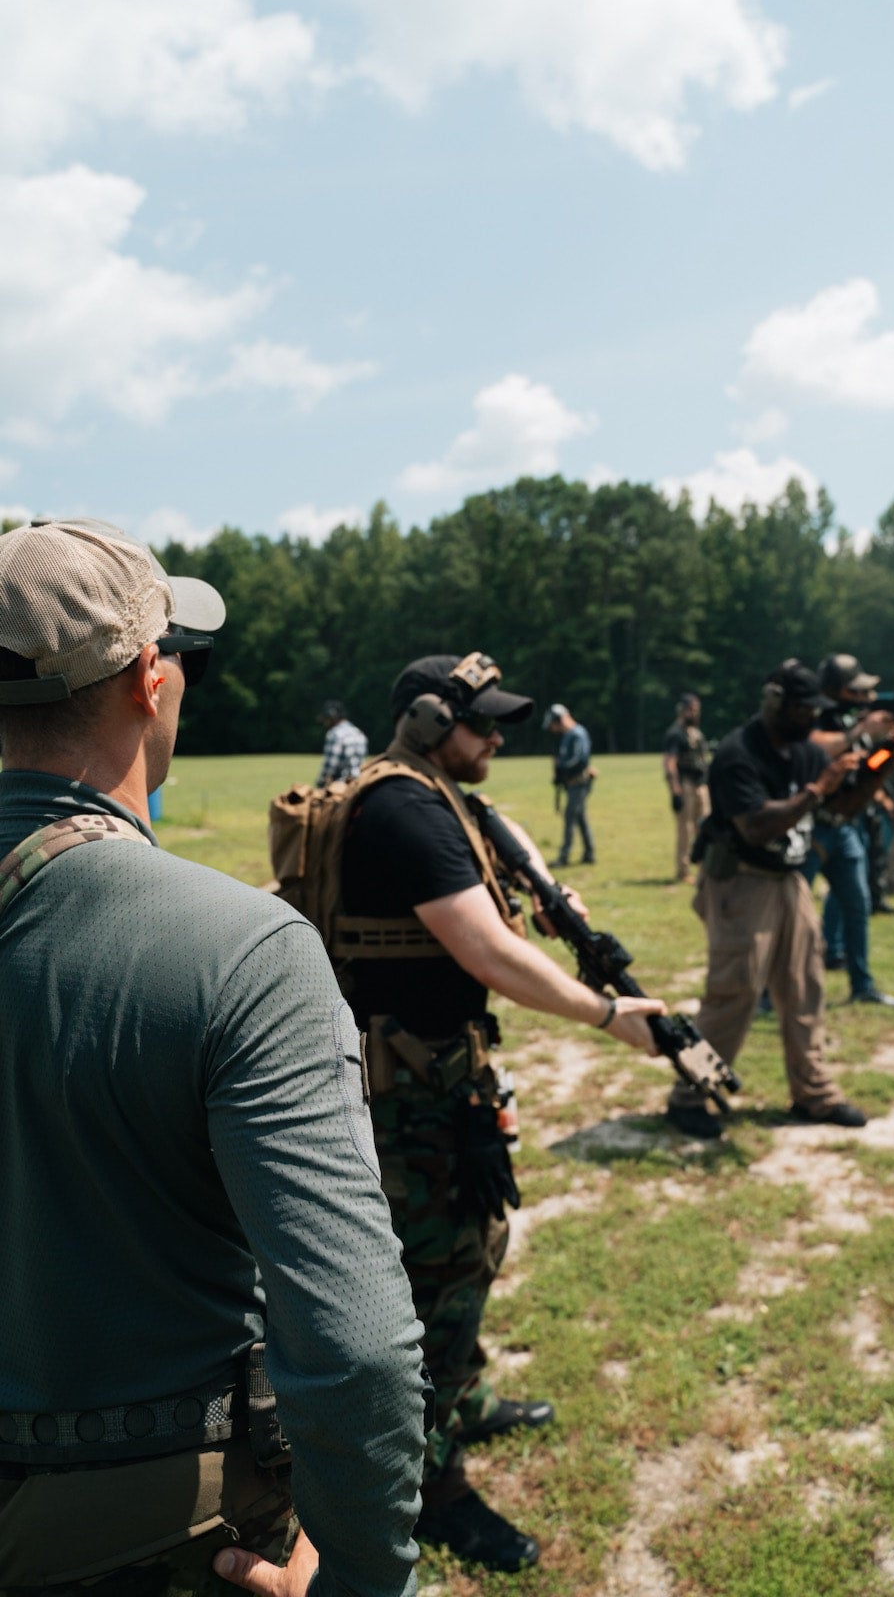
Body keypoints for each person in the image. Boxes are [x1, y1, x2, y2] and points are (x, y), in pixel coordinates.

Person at [0, 519, 425, 1597]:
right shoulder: (242, 948)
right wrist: (365, 1582)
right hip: (152, 1534)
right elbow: (358, 1346)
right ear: (150, 677)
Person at [339, 654, 664, 1572]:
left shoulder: (438, 798)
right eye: (483, 723)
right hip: (412, 1097)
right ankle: (433, 1490)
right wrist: (604, 1015)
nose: (499, 738)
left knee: (469, 1250)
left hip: (439, 1080)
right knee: (434, 1279)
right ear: (434, 720)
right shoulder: (405, 808)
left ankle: (461, 1404)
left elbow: (503, 905)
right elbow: (485, 951)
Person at [668, 660, 869, 1138]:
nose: (813, 720)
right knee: (730, 993)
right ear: (776, 703)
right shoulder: (739, 753)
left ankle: (812, 1093)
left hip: (789, 881)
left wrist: (880, 765)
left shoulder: (804, 751)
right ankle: (688, 1093)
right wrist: (819, 789)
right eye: (804, 709)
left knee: (806, 987)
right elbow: (757, 826)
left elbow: (839, 807)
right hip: (740, 881)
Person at [804, 654, 894, 1008]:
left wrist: (892, 746)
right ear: (837, 690)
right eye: (855, 691)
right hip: (811, 828)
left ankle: (862, 984)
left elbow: (868, 767)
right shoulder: (814, 720)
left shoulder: (851, 723)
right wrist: (860, 732)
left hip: (844, 828)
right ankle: (771, 993)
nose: (864, 698)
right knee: (792, 913)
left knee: (857, 906)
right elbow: (815, 746)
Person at [662, 692, 711, 882]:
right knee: (685, 829)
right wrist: (675, 790)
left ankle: (705, 868)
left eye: (697, 710)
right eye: (691, 709)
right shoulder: (675, 734)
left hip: (701, 785)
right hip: (686, 785)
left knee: (704, 827)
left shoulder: (697, 733)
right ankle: (683, 871)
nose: (695, 713)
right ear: (682, 711)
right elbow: (669, 763)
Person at [543, 702, 595, 866]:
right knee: (580, 818)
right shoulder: (567, 735)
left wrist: (560, 767)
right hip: (572, 784)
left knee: (570, 817)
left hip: (579, 783)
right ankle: (589, 853)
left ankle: (564, 856)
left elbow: (578, 760)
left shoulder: (577, 734)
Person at [316, 698, 368, 786]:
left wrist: (320, 783)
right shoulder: (358, 732)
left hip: (341, 785)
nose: (325, 722)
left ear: (332, 717)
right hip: (359, 783)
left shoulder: (335, 734)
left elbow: (330, 765)